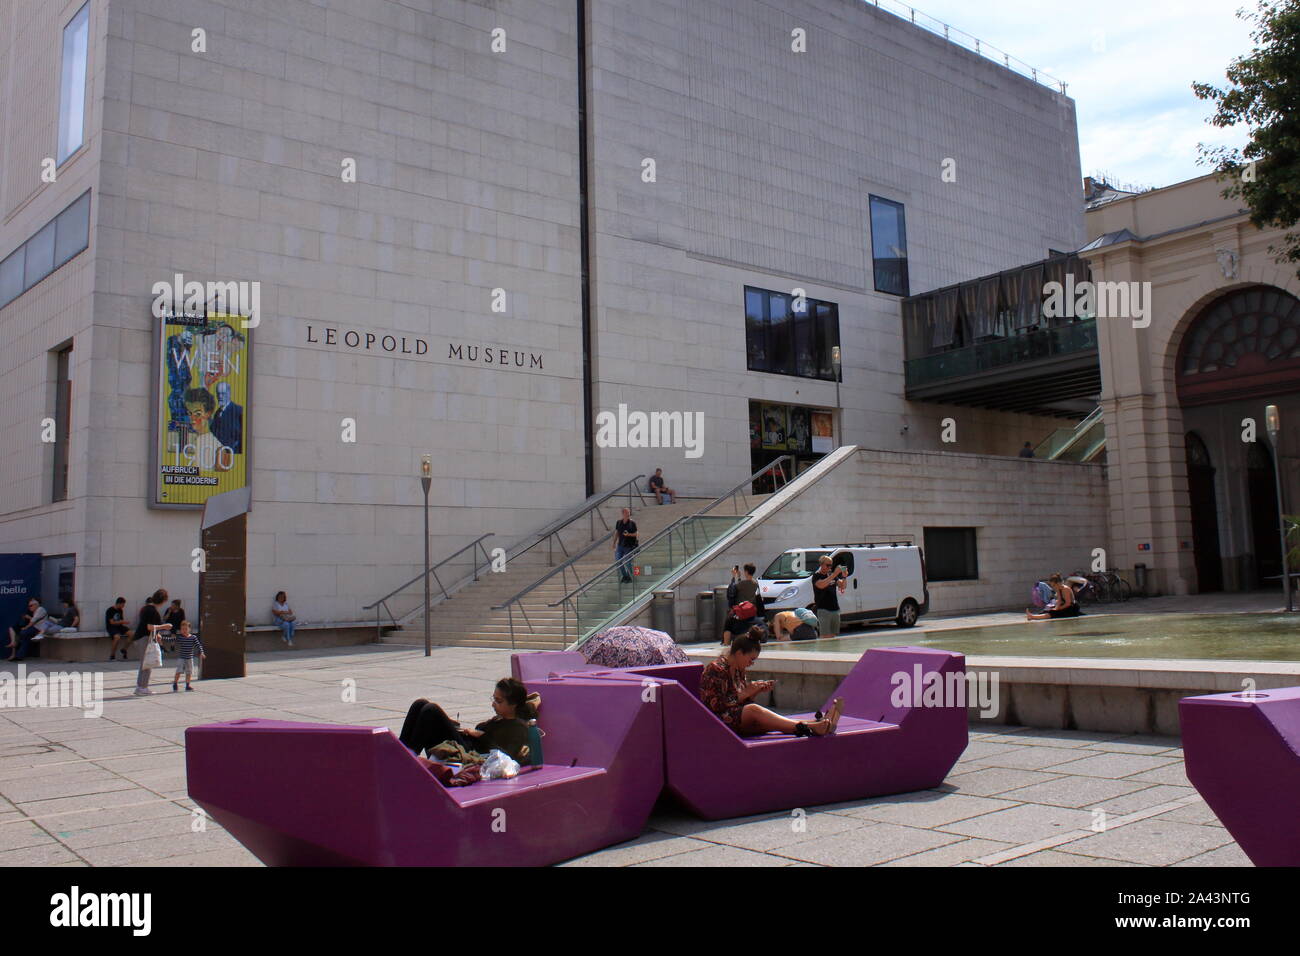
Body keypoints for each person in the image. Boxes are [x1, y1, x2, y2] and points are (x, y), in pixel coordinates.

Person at [699, 632, 842, 737]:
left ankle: (816, 725)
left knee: (770, 721)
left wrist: (754, 692)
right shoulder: (716, 669)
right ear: (739, 653)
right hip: (717, 723)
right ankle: (814, 725)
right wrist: (746, 692)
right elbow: (716, 706)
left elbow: (740, 704)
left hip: (734, 720)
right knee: (755, 711)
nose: (751, 663)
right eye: (751, 659)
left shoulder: (738, 670)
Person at [399, 677, 538, 762]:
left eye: (498, 701)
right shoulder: (499, 718)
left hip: (472, 754)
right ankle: (399, 753)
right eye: (493, 699)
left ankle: (406, 760)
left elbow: (507, 757)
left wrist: (482, 736)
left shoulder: (518, 727)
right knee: (420, 704)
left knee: (430, 710)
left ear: (513, 704)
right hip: (467, 743)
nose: (493, 704)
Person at [133, 590, 168, 695]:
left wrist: (157, 634)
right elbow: (149, 627)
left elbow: (147, 626)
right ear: (163, 601)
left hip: (141, 638)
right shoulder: (152, 611)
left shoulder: (146, 608)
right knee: (148, 663)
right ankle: (143, 687)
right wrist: (165, 626)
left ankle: (140, 687)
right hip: (144, 639)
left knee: (144, 663)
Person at [722, 564, 764, 645]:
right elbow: (742, 586)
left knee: (728, 624)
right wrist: (739, 577)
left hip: (740, 611)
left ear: (746, 572)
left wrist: (734, 576)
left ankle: (725, 643)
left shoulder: (742, 584)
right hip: (751, 610)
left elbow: (733, 589)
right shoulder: (755, 583)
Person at [812, 555, 847, 638]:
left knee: (833, 635)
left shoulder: (831, 574)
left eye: (831, 565)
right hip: (823, 609)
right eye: (828, 565)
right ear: (821, 565)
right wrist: (835, 574)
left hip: (835, 608)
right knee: (824, 635)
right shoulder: (816, 576)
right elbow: (821, 585)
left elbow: (842, 586)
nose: (829, 567)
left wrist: (844, 576)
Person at [170, 620, 205, 692]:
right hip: (181, 658)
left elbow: (198, 645)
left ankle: (187, 685)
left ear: (189, 629)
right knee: (179, 671)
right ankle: (175, 683)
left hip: (189, 658)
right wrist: (161, 638)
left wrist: (201, 652)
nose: (184, 631)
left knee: (189, 672)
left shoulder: (193, 637)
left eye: (186, 629)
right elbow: (170, 639)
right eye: (182, 629)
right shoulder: (180, 637)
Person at [613, 508, 638, 583]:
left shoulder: (632, 523)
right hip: (620, 545)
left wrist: (628, 534)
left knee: (627, 562)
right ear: (623, 513)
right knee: (618, 561)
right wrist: (614, 543)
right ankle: (625, 576)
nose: (628, 514)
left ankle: (629, 576)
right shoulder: (619, 522)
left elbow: (636, 534)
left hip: (629, 546)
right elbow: (617, 533)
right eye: (626, 512)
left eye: (629, 512)